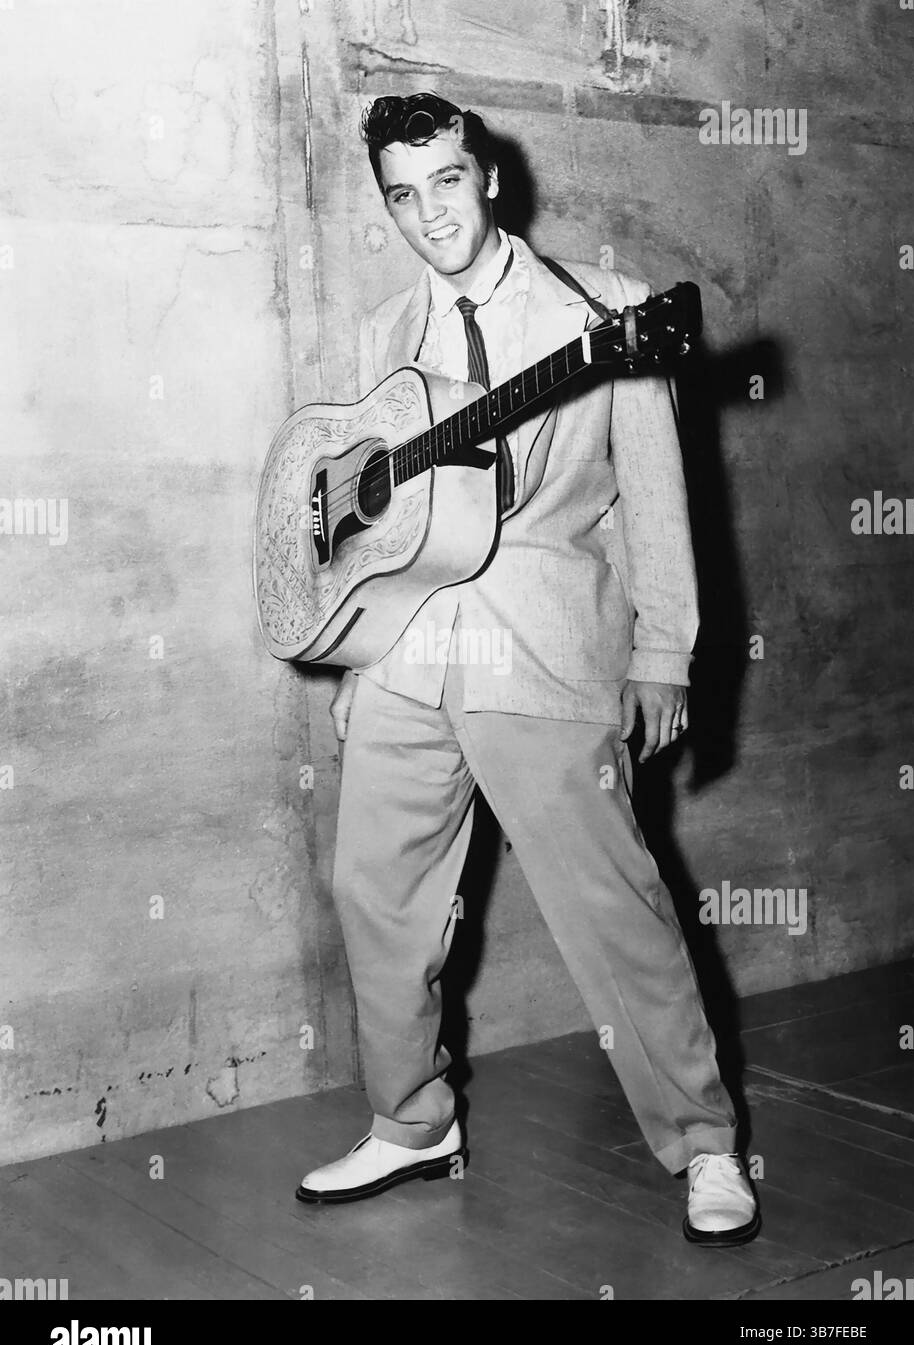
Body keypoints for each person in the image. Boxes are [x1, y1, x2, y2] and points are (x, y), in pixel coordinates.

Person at [295, 92, 760, 1247]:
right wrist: (357, 653)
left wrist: (662, 652)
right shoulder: (380, 337)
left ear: (487, 177)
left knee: (614, 909)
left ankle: (705, 1143)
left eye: (445, 181)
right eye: (402, 194)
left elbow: (657, 498)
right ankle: (410, 1122)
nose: (427, 212)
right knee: (374, 892)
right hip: (407, 656)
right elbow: (375, 526)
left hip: (543, 648)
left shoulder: (603, 313)